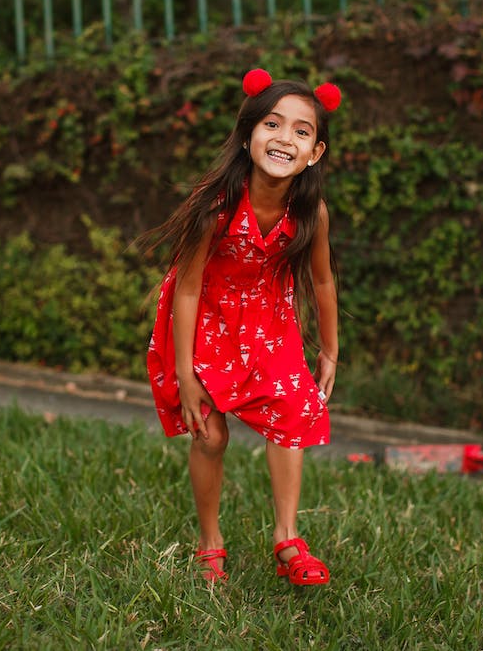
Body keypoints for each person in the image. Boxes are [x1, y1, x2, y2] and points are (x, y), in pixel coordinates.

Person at [144, 68, 341, 586]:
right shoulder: (215, 207)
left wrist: (331, 350)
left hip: (268, 321)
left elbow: (322, 284)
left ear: (315, 152)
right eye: (273, 124)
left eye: (302, 131)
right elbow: (186, 289)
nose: (284, 138)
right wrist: (185, 373)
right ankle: (209, 543)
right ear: (249, 133)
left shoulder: (310, 213)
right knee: (209, 435)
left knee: (294, 412)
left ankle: (287, 539)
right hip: (204, 319)